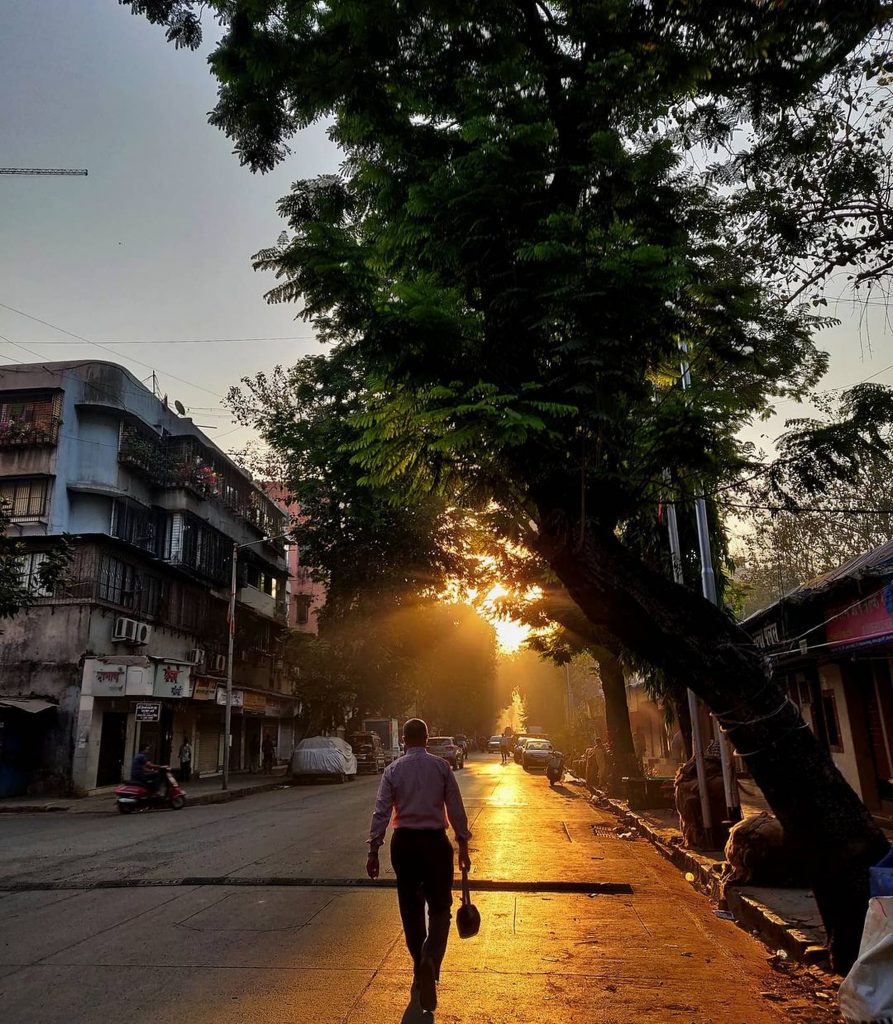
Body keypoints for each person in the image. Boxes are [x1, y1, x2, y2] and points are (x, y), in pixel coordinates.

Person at [367, 718, 471, 1013]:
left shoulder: (393, 770)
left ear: (403, 739)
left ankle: (418, 965)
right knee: (440, 909)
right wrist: (462, 843)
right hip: (435, 844)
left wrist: (374, 849)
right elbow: (456, 807)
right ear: (427, 738)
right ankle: (430, 959)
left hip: (405, 845)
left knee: (411, 911)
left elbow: (382, 811)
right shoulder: (441, 767)